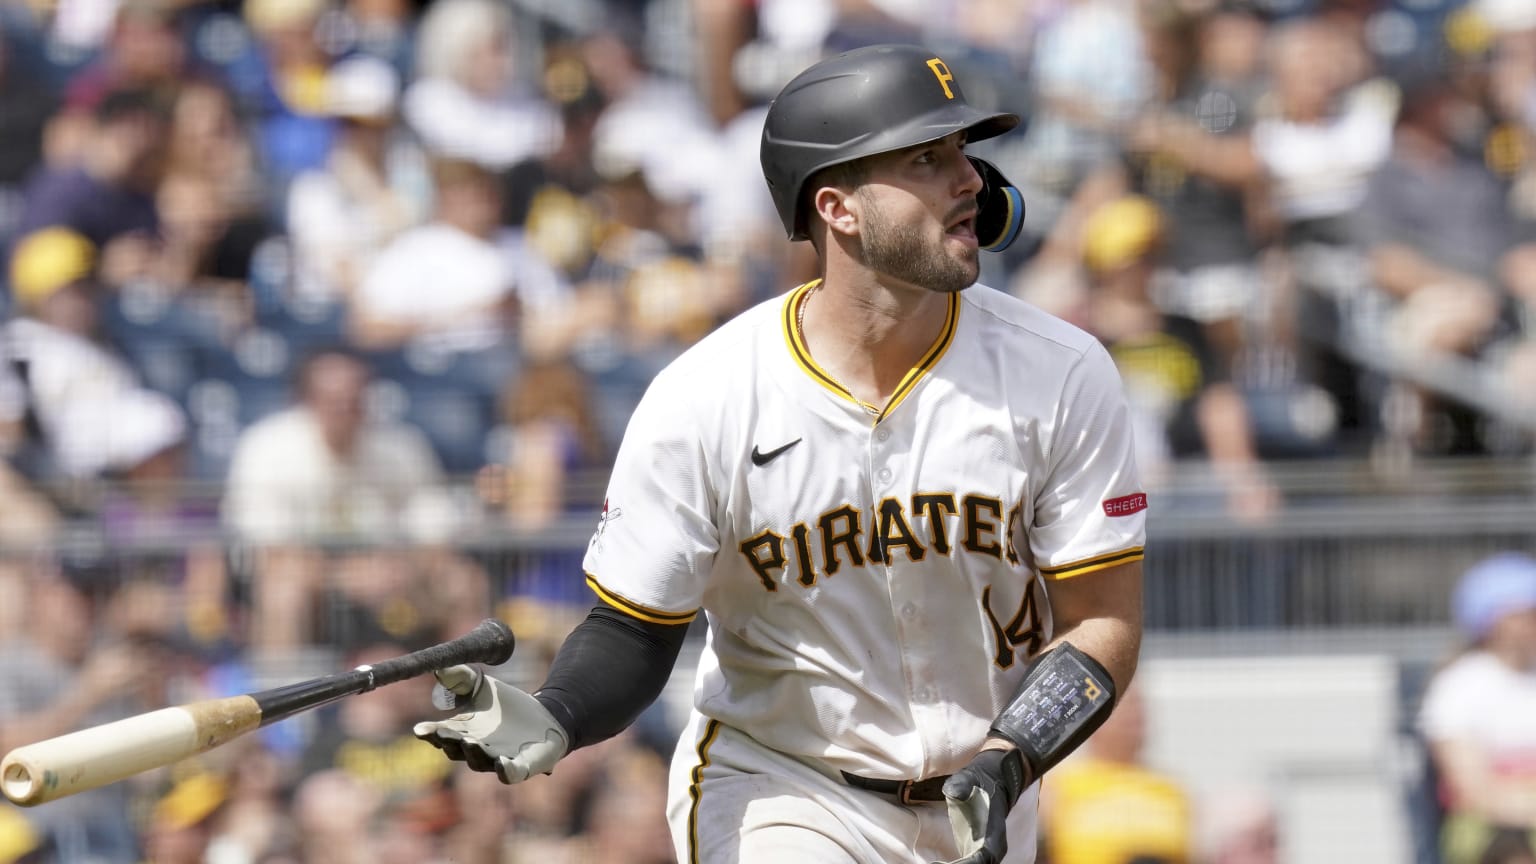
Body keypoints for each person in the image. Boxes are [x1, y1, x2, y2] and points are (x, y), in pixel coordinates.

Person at [416, 44, 1145, 864]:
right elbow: (637, 628)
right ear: (836, 208)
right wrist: (559, 711)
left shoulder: (1061, 370)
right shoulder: (708, 395)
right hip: (781, 789)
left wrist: (1012, 758)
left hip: (985, 800)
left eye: (964, 154)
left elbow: (1102, 622)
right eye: (927, 159)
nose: (970, 178)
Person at [1418, 553, 1536, 864]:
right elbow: (1473, 791)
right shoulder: (1459, 687)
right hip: (1488, 829)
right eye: (1528, 613)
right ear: (1495, 622)